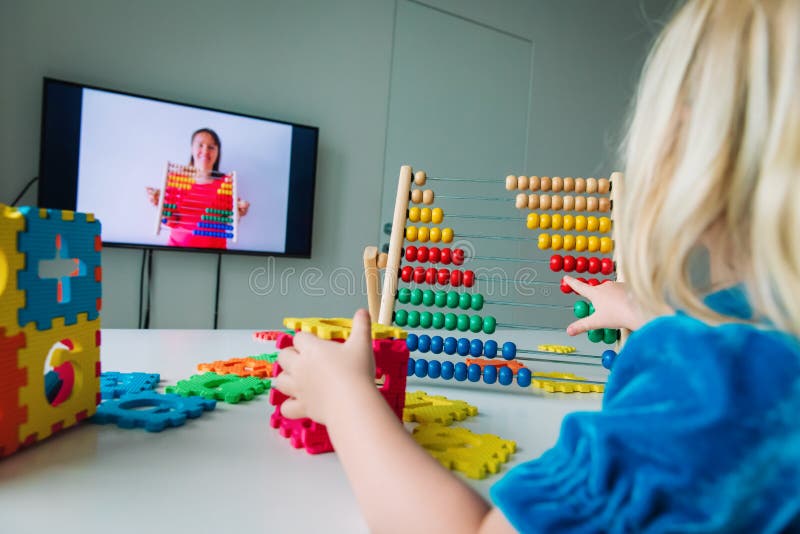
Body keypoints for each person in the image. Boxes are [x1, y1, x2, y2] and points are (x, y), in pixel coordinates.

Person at [272, 1, 800, 532]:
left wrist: (346, 402)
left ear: (688, 146)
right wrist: (653, 314)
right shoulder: (754, 345)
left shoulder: (710, 385)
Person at [146, 128, 250, 249]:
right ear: (192, 149)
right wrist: (161, 206)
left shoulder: (226, 183)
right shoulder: (177, 180)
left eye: (211, 147)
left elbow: (229, 220)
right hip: (177, 251)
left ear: (217, 152)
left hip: (215, 254)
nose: (205, 150)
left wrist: (238, 213)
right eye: (200, 145)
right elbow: (171, 222)